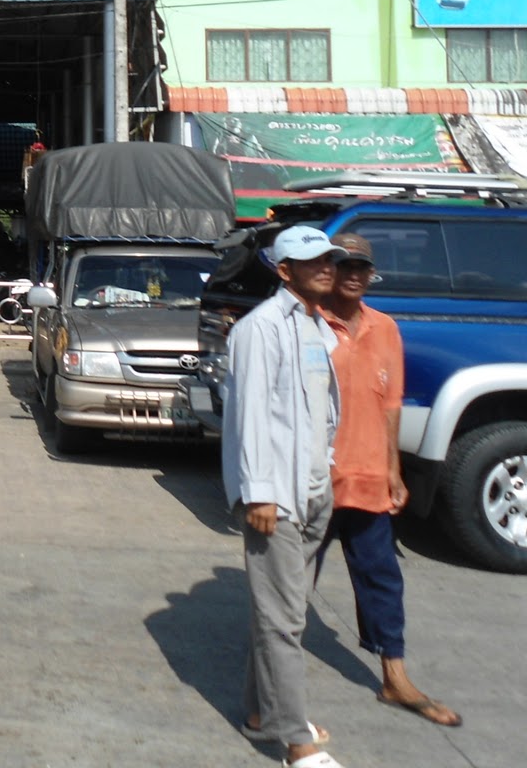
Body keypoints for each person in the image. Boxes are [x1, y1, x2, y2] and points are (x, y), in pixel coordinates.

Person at [320, 234, 461, 729]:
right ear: (327, 269)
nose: (354, 275)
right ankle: (271, 689)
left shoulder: (385, 328)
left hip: (368, 478)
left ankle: (394, 678)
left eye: (363, 267)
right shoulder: (309, 325)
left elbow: (391, 403)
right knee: (290, 588)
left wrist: (394, 470)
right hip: (314, 482)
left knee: (382, 578)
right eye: (344, 265)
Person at [221, 224, 346, 768]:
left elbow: (321, 414)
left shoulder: (321, 329)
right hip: (278, 498)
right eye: (311, 259)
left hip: (315, 490)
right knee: (283, 620)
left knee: (283, 612)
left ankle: (260, 714)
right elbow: (248, 417)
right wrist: (260, 493)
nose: (326, 266)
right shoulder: (260, 328)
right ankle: (296, 741)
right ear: (283, 268)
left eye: (331, 258)